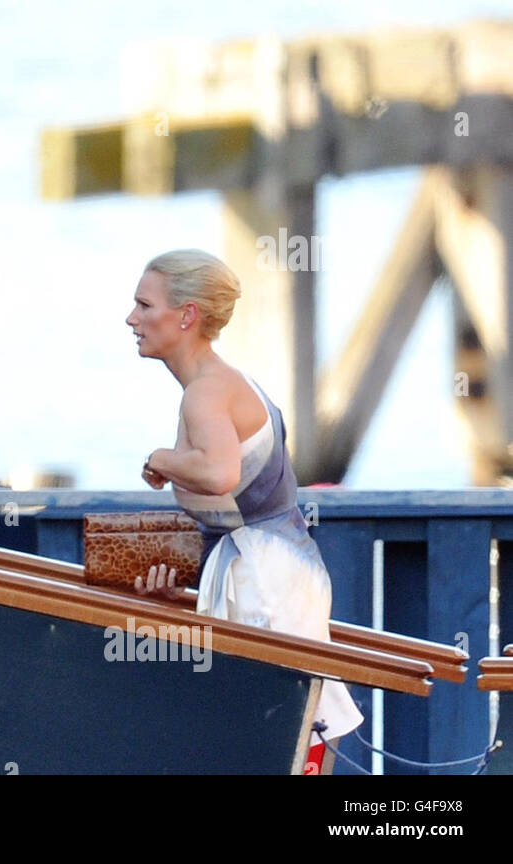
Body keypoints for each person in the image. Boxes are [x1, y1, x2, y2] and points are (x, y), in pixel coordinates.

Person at [125, 248, 362, 772]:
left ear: (187, 315)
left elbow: (219, 474)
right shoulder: (229, 382)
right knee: (288, 728)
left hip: (263, 580)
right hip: (278, 565)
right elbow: (230, 499)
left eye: (144, 305)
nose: (132, 319)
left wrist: (159, 459)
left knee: (272, 731)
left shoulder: (206, 392)